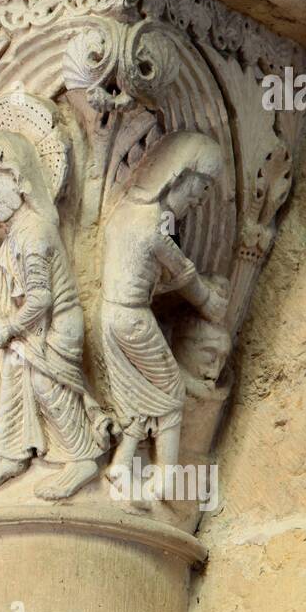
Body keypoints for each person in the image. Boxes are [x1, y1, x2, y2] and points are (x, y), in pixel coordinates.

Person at [0, 130, 111, 500]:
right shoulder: (17, 230)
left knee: (47, 385)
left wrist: (9, 326)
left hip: (57, 325)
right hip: (37, 328)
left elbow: (41, 298)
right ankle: (11, 454)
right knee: (16, 376)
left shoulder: (34, 234)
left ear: (15, 178)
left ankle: (82, 457)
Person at [99, 131, 227, 499]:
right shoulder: (153, 224)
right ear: (178, 176)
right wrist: (206, 301)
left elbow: (139, 275)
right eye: (200, 188)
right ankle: (165, 479)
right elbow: (182, 269)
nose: (200, 200)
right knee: (170, 391)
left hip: (111, 316)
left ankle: (121, 465)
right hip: (132, 321)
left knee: (137, 392)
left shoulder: (127, 210)